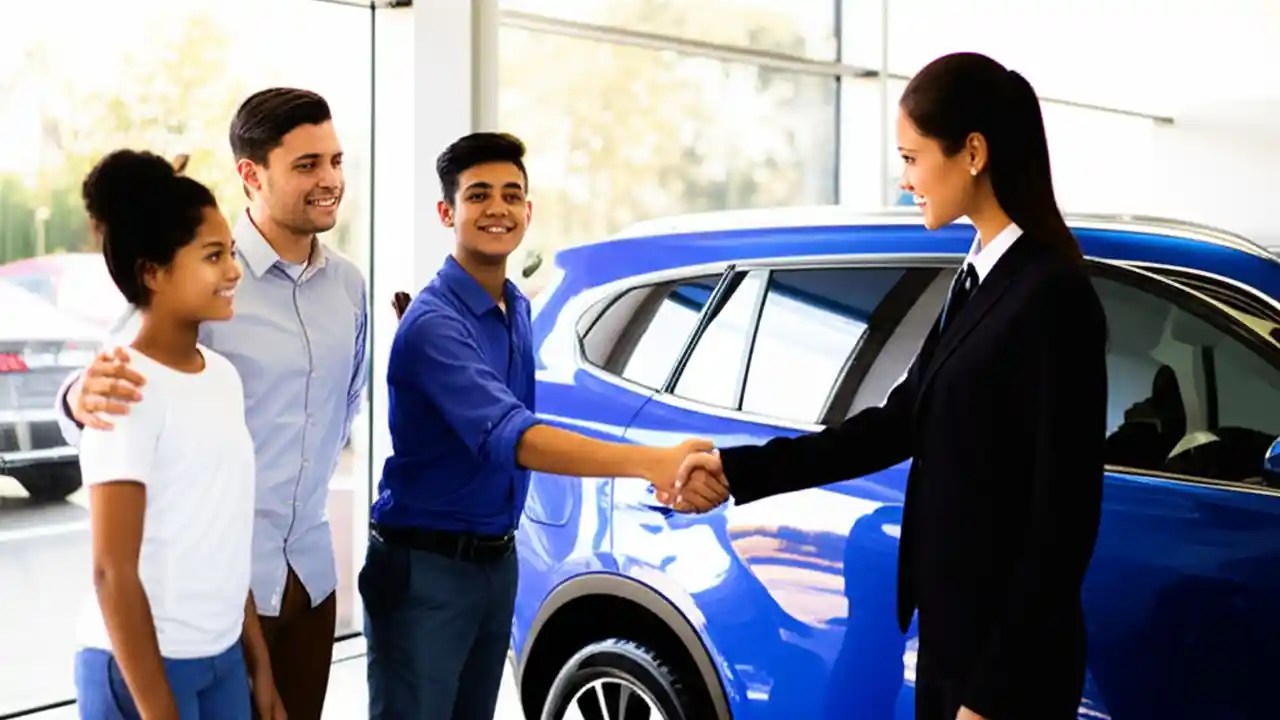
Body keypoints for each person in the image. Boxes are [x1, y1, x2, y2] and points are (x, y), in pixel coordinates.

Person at [670, 51, 1108, 720]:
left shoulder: (1051, 294)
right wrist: (737, 470)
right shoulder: (978, 278)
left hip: (1006, 670)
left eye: (910, 157)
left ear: (973, 153)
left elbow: (1062, 521)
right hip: (951, 639)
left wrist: (991, 693)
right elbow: (899, 422)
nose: (904, 179)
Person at [362, 132, 722, 720]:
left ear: (529, 210)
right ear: (446, 212)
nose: (498, 209)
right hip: (426, 572)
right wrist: (652, 461)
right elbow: (518, 438)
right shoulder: (433, 324)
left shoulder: (515, 306)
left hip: (493, 563)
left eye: (512, 195)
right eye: (479, 196)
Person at [56, 88, 367, 720]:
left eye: (335, 161)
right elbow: (119, 372)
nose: (329, 179)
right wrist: (76, 398)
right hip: (205, 604)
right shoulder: (201, 285)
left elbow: (345, 410)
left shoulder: (349, 287)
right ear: (251, 174)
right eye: (307, 165)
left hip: (304, 583)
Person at [71, 149, 281, 720]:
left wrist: (258, 662)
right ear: (153, 273)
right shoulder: (124, 387)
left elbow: (223, 531)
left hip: (220, 660)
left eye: (231, 253)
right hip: (140, 668)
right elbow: (111, 572)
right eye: (213, 256)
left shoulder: (225, 378)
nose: (234, 271)